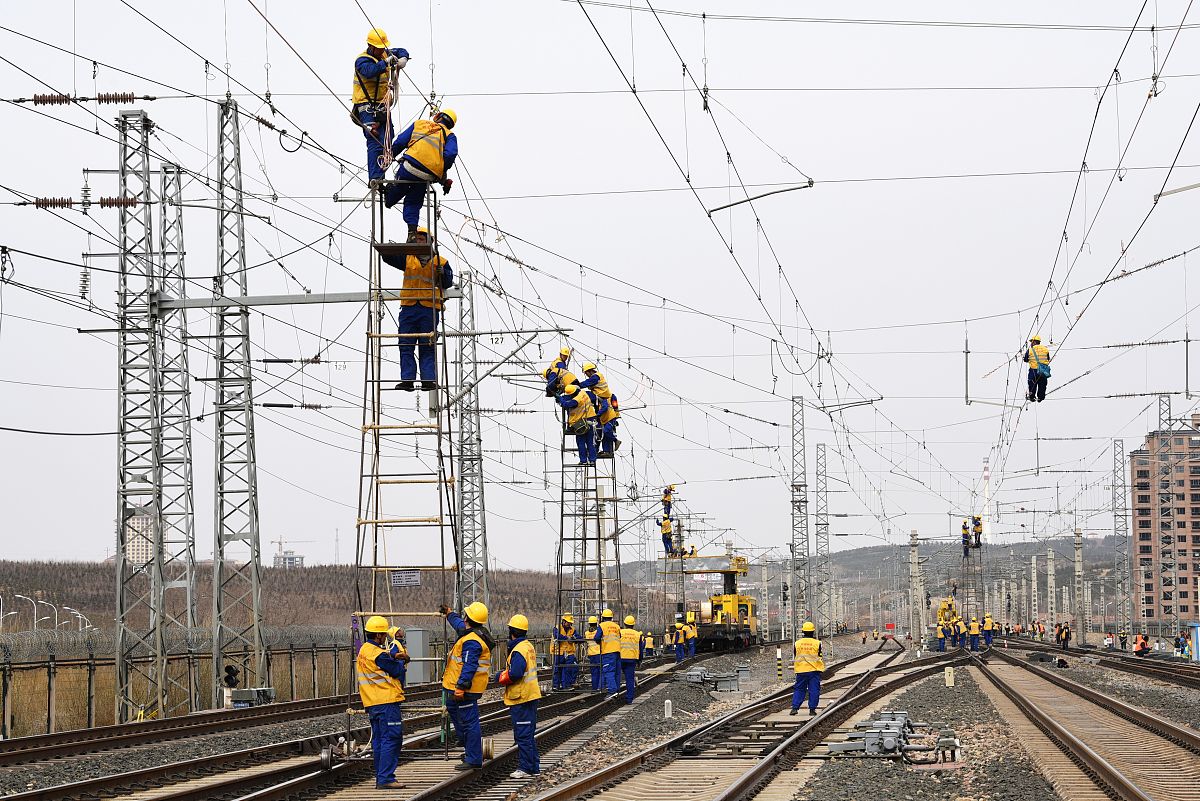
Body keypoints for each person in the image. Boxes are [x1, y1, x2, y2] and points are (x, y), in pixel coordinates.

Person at [381, 227, 453, 391]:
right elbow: (388, 258)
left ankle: (428, 380)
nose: (418, 241)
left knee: (427, 345)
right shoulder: (408, 258)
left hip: (429, 308)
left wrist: (444, 274)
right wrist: (388, 248)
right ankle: (407, 380)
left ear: (430, 241)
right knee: (406, 344)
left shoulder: (441, 262)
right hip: (409, 308)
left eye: (422, 238)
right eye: (417, 239)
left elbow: (448, 282)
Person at [384, 108, 459, 240]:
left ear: (438, 116)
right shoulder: (449, 135)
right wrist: (442, 171)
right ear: (451, 124)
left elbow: (400, 142)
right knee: (414, 201)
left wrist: (387, 159)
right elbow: (451, 154)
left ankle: (389, 198)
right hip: (427, 176)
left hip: (409, 167)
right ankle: (412, 233)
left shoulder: (420, 124)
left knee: (398, 189)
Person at [439, 602, 493, 771]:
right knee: (454, 711)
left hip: (465, 689)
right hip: (455, 687)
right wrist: (449, 614)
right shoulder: (471, 632)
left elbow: (469, 666)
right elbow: (458, 624)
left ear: (468, 618)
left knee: (470, 722)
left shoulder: (472, 641)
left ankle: (474, 758)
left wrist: (461, 687)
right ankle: (468, 745)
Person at [351, 29, 410, 182]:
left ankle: (381, 173)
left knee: (387, 139)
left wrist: (402, 58)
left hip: (382, 108)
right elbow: (369, 71)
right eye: (379, 47)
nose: (382, 50)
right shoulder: (362, 60)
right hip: (366, 107)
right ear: (371, 46)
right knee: (375, 139)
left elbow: (401, 50)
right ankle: (376, 178)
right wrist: (386, 62)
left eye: (383, 47)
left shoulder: (384, 53)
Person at [356, 615, 407, 789]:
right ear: (378, 636)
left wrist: (392, 657)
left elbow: (381, 664)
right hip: (386, 701)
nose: (385, 637)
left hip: (372, 702)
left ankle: (381, 776)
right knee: (392, 738)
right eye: (384, 635)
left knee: (379, 740)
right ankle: (386, 778)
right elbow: (396, 671)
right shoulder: (378, 654)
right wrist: (401, 660)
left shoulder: (364, 650)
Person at [498, 614, 540, 779]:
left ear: (512, 631)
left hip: (522, 696)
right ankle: (533, 767)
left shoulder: (518, 650)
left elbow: (515, 673)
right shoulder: (527, 645)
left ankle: (526, 768)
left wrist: (500, 677)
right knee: (528, 734)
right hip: (529, 694)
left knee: (523, 734)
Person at [556, 383, 597, 466]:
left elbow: (566, 404)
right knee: (590, 442)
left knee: (581, 442)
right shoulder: (582, 392)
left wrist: (559, 398)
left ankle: (583, 460)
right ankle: (592, 460)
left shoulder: (576, 400)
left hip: (580, 423)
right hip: (590, 419)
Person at [790, 621, 824, 717]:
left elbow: (796, 655)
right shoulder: (817, 643)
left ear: (803, 632)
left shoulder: (797, 643)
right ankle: (812, 710)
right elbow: (819, 656)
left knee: (799, 689)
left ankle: (794, 708)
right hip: (814, 670)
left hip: (801, 670)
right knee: (814, 690)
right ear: (813, 632)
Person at [594, 609, 621, 692]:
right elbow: (620, 636)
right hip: (617, 652)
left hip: (608, 652)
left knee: (609, 671)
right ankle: (616, 690)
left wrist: (600, 642)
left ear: (603, 617)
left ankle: (612, 691)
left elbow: (597, 637)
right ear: (611, 617)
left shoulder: (602, 626)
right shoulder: (617, 626)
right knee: (616, 672)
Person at [618, 615, 643, 703]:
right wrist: (640, 660)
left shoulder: (620, 632)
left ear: (624, 623)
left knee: (617, 676)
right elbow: (640, 649)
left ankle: (616, 695)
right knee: (630, 679)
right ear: (633, 625)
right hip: (632, 659)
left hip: (620, 658)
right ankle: (629, 699)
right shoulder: (638, 635)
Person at [552, 614, 578, 691]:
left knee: (567, 670)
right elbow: (557, 636)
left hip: (569, 653)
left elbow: (578, 637)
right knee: (557, 669)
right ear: (563, 621)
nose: (570, 624)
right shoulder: (557, 628)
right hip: (559, 652)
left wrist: (574, 638)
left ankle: (566, 686)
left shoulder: (572, 629)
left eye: (570, 623)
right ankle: (556, 686)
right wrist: (567, 638)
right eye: (568, 623)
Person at [1023, 335, 1051, 403]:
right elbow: (1048, 358)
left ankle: (1032, 397)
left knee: (1032, 383)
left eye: (1031, 342)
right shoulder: (1045, 349)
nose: (1031, 344)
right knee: (1042, 384)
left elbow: (1026, 360)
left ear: (1034, 342)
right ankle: (1040, 397)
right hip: (1043, 370)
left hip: (1034, 370)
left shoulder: (1030, 350)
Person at [585, 616, 603, 690]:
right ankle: (600, 687)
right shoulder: (598, 632)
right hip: (598, 654)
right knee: (601, 671)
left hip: (591, 654)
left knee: (594, 673)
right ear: (596, 623)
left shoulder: (586, 633)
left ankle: (594, 688)